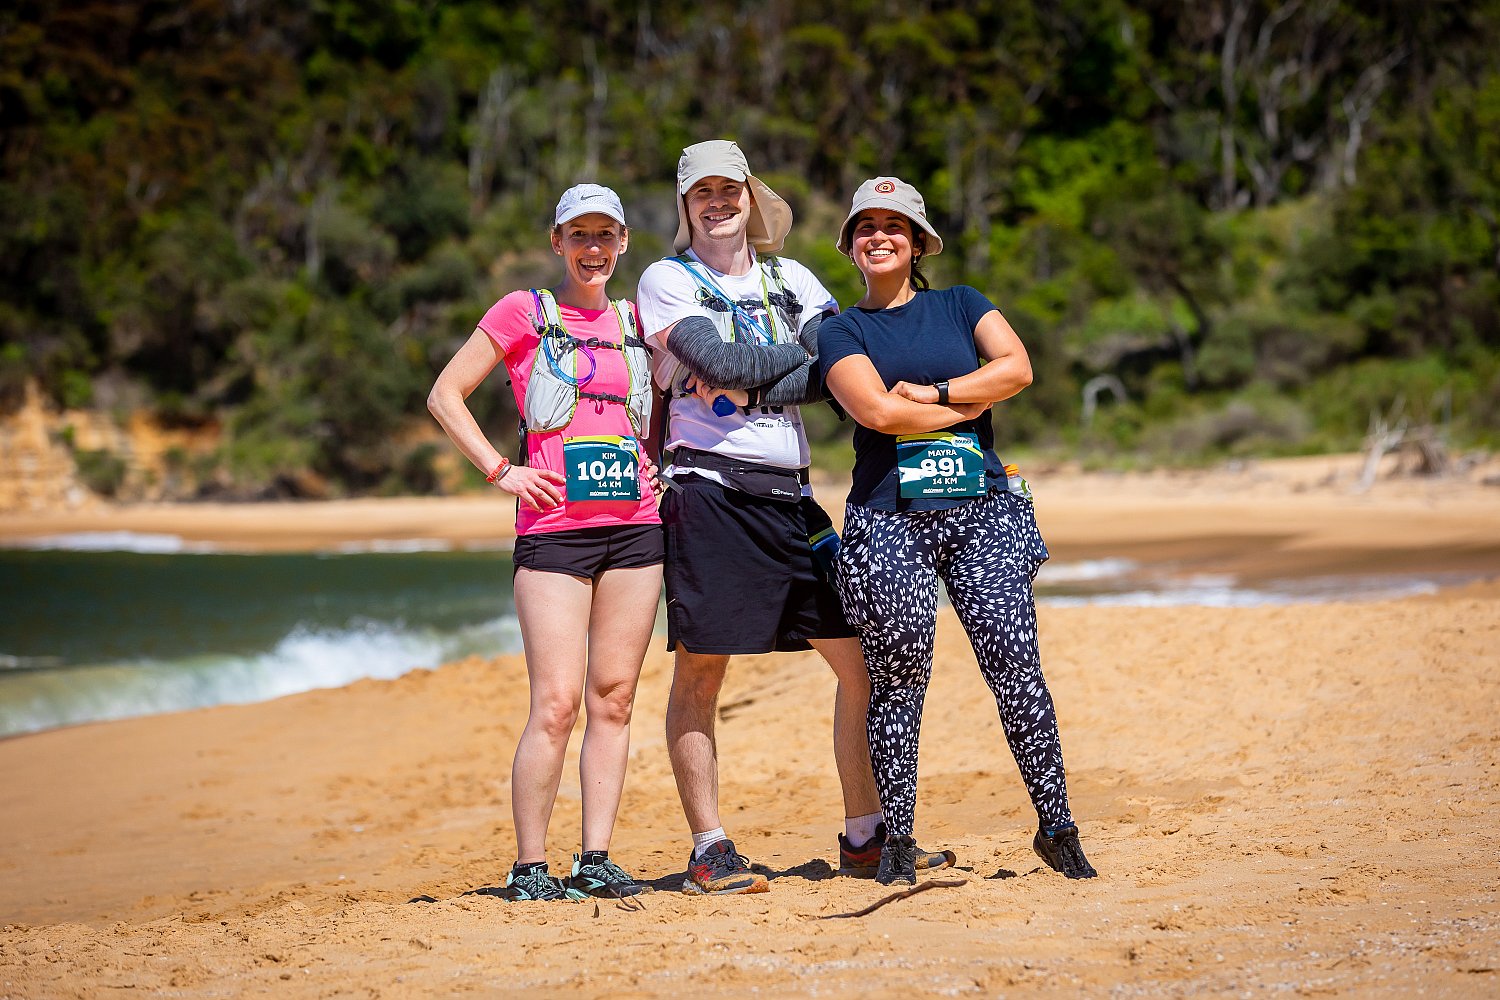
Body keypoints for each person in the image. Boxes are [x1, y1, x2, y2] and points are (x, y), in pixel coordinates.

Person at [636, 141, 953, 896]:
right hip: (707, 490)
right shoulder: (665, 279)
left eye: (730, 189)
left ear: (751, 196)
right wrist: (777, 369)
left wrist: (759, 373)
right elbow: (729, 367)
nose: (718, 203)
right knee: (703, 670)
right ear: (685, 206)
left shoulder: (794, 276)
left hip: (792, 497)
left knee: (860, 664)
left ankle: (865, 836)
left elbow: (839, 373)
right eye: (702, 192)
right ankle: (710, 849)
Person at [818, 177, 1097, 885]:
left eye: (895, 226)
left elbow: (1020, 368)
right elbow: (878, 415)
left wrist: (938, 394)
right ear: (851, 246)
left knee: (1016, 667)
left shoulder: (962, 302)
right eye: (866, 227)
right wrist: (973, 400)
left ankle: (1057, 827)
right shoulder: (841, 330)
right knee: (899, 682)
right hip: (887, 519)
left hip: (983, 513)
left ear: (917, 244)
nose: (880, 236)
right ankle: (900, 845)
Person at [427, 183, 662, 901]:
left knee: (615, 697)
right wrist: (502, 470)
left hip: (637, 529)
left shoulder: (639, 316)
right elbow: (444, 395)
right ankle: (531, 866)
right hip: (553, 532)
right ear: (557, 243)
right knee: (557, 702)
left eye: (606, 235)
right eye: (579, 236)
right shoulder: (523, 312)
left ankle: (595, 858)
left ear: (623, 242)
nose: (593, 249)